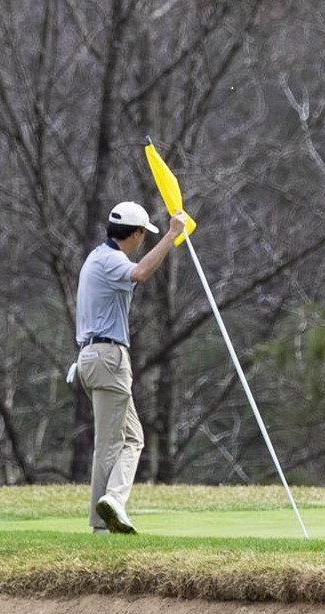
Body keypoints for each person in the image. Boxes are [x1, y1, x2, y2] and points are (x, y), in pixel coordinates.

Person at [74, 201, 186, 534]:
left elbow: (134, 275)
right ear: (136, 234)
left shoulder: (98, 257)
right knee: (111, 443)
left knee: (133, 438)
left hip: (95, 358)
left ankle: (114, 503)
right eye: (144, 236)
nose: (143, 242)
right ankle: (103, 520)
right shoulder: (111, 259)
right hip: (108, 357)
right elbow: (139, 272)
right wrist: (171, 236)